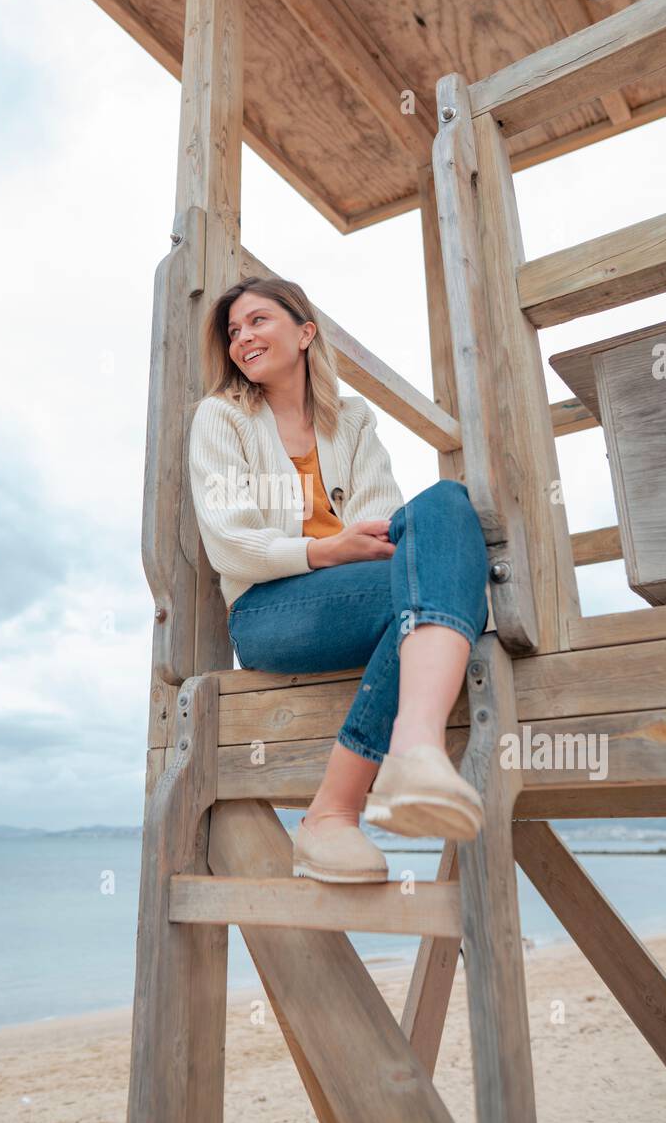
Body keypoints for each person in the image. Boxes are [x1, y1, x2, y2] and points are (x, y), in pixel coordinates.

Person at [188, 275, 489, 885]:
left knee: (445, 502)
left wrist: (359, 549)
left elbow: (379, 525)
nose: (242, 337)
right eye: (233, 330)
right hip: (268, 611)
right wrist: (327, 551)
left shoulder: (352, 420)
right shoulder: (220, 418)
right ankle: (374, 780)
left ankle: (367, 785)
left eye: (258, 321)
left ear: (305, 332)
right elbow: (231, 544)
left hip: (358, 594)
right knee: (451, 590)